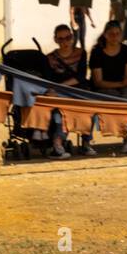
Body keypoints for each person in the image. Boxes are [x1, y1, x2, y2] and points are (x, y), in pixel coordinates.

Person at [42, 23, 96, 158]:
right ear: (55, 40)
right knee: (59, 114)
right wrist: (55, 90)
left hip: (77, 92)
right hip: (59, 94)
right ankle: (57, 145)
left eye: (68, 38)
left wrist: (61, 87)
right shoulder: (50, 58)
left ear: (72, 37)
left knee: (89, 111)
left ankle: (86, 143)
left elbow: (81, 76)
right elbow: (48, 79)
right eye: (61, 39)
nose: (65, 42)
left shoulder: (81, 53)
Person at [89, 20, 127, 153]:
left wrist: (125, 83)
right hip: (103, 90)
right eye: (111, 34)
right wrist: (121, 84)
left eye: (117, 34)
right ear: (105, 35)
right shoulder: (97, 52)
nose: (115, 37)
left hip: (122, 90)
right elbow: (98, 81)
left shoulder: (126, 50)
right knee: (117, 97)